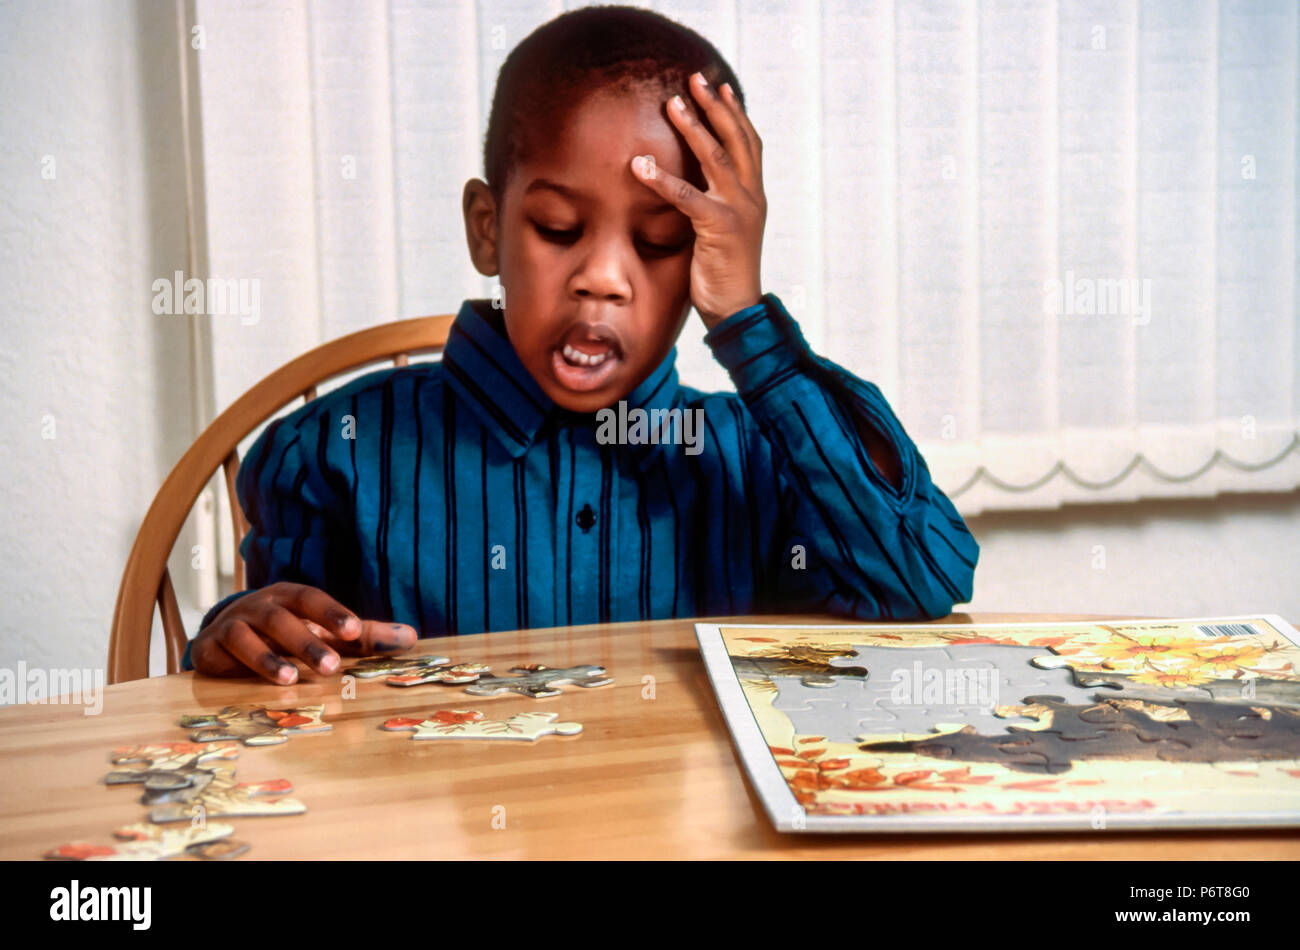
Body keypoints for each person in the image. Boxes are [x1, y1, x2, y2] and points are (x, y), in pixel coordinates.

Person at [186, 5, 979, 682]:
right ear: (488, 228)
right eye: (560, 230)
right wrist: (245, 628)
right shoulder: (335, 451)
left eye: (662, 242)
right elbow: (279, 689)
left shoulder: (757, 459)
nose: (603, 279)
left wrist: (746, 317)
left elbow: (923, 578)